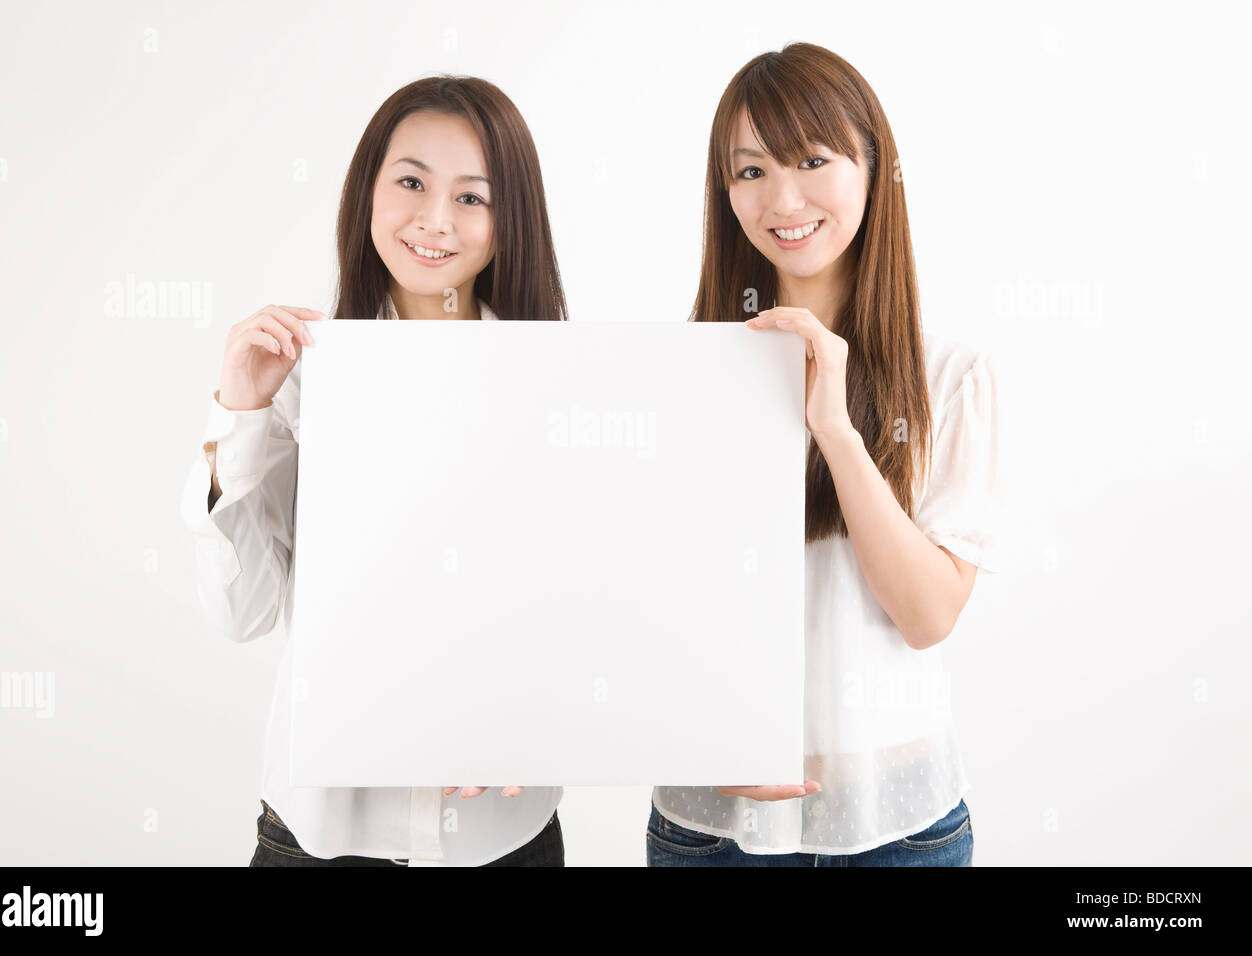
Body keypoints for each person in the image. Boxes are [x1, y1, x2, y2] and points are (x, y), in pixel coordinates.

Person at [179, 75, 570, 866]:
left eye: (472, 197)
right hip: (324, 833)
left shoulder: (561, 387)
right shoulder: (297, 376)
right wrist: (239, 413)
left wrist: (534, 714)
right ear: (368, 193)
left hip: (502, 833)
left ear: (509, 219)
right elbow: (239, 613)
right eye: (412, 183)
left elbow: (583, 609)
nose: (434, 220)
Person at [647, 42, 1007, 866]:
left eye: (813, 158)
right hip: (709, 827)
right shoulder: (682, 376)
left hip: (897, 825)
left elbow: (926, 616)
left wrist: (838, 431)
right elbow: (646, 604)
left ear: (874, 168)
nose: (783, 197)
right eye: (749, 171)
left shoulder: (950, 377)